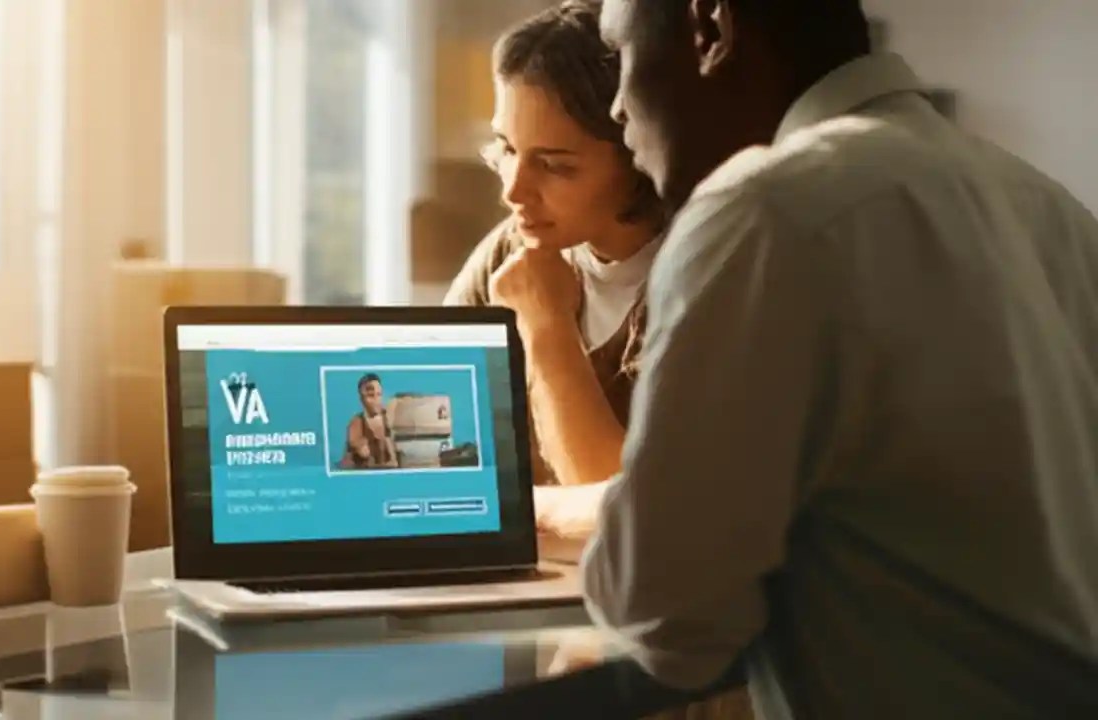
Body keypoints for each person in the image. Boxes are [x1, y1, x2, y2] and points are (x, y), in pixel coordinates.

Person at [585, 0, 1098, 717]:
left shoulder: (766, 211)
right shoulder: (1054, 212)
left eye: (620, 58)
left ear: (710, 31)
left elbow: (672, 622)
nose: (615, 108)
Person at [444, 0, 667, 536]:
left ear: (636, 157)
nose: (513, 191)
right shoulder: (506, 253)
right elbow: (435, 452)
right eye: (506, 148)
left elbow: (621, 513)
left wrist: (545, 325)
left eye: (554, 165)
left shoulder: (697, 273)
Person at [341, 373, 398, 470]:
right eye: (371, 395)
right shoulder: (357, 423)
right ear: (362, 398)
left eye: (379, 394)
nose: (376, 400)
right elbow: (362, 452)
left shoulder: (389, 418)